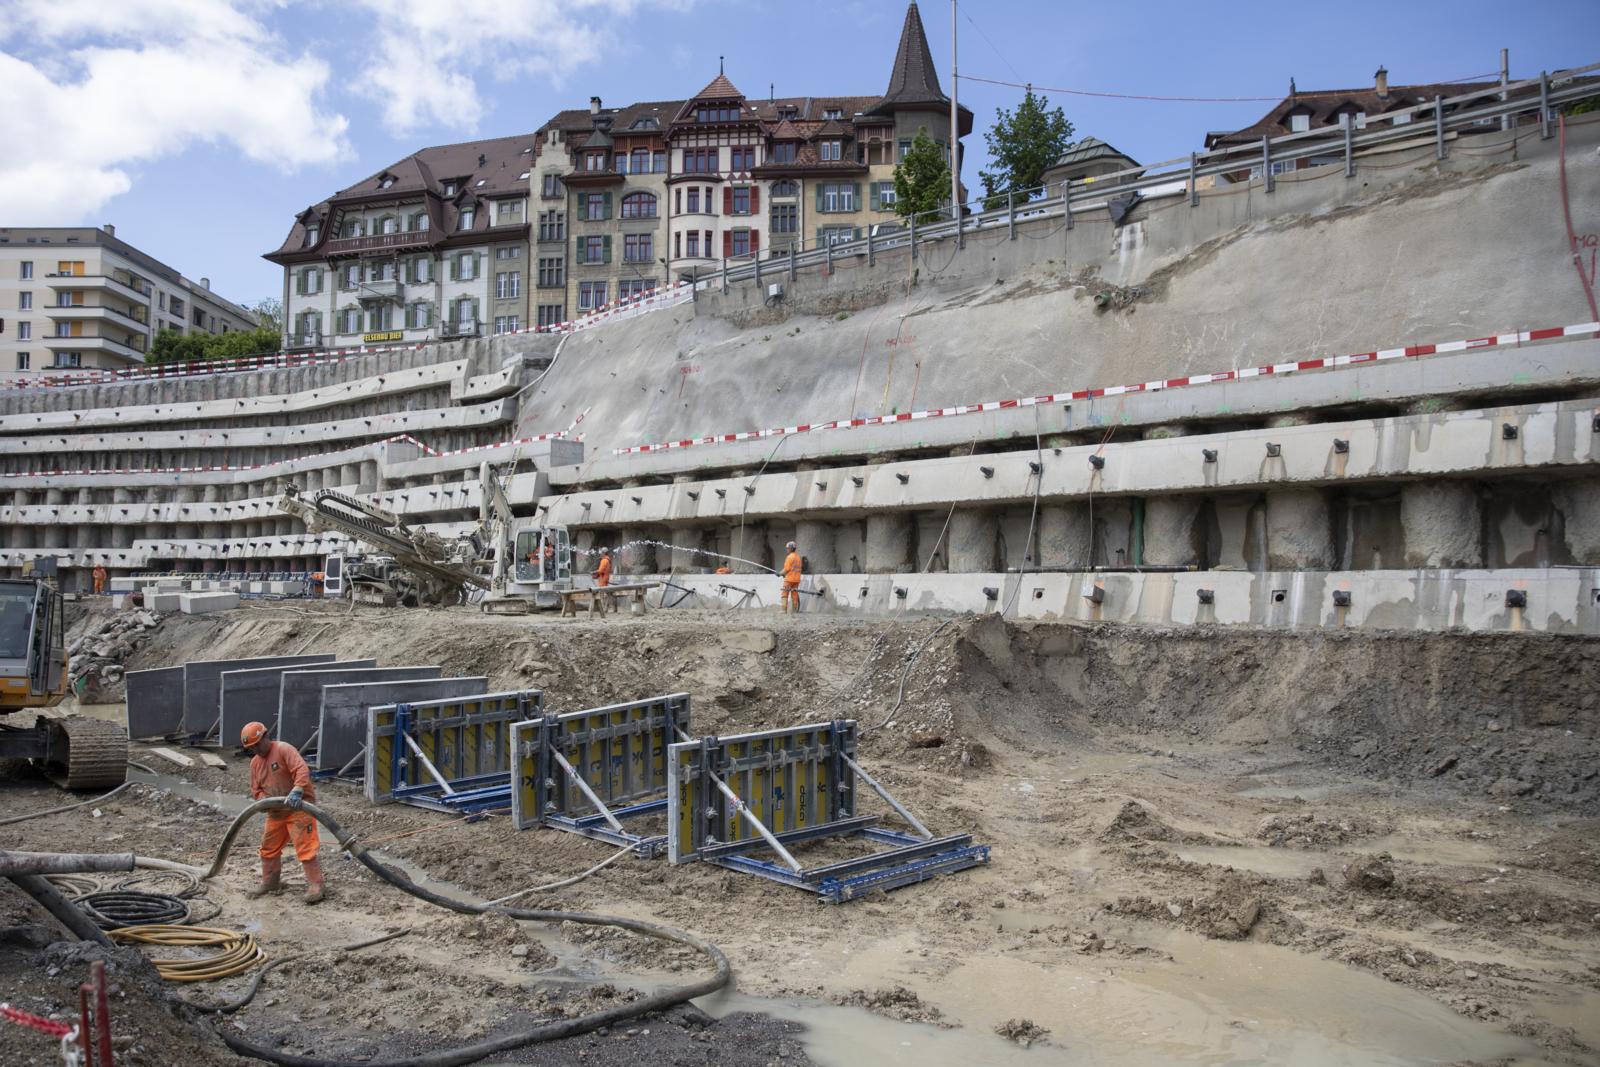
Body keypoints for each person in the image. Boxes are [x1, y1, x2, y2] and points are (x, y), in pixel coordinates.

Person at [240, 721, 325, 904]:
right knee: (268, 849)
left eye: (257, 744)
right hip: (276, 812)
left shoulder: (283, 749)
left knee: (305, 848)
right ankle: (270, 882)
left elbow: (301, 769)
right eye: (252, 747)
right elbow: (256, 789)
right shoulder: (255, 763)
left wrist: (297, 789)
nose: (256, 749)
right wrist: (263, 800)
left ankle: (316, 886)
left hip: (299, 808)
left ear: (266, 737)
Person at [781, 540, 803, 614]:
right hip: (796, 580)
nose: (787, 549)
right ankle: (794, 611)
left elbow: (787, 569)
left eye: (787, 548)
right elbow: (794, 569)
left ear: (790, 548)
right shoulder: (798, 557)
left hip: (789, 579)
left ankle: (783, 610)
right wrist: (783, 573)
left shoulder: (789, 557)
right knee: (794, 594)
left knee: (785, 593)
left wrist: (780, 573)